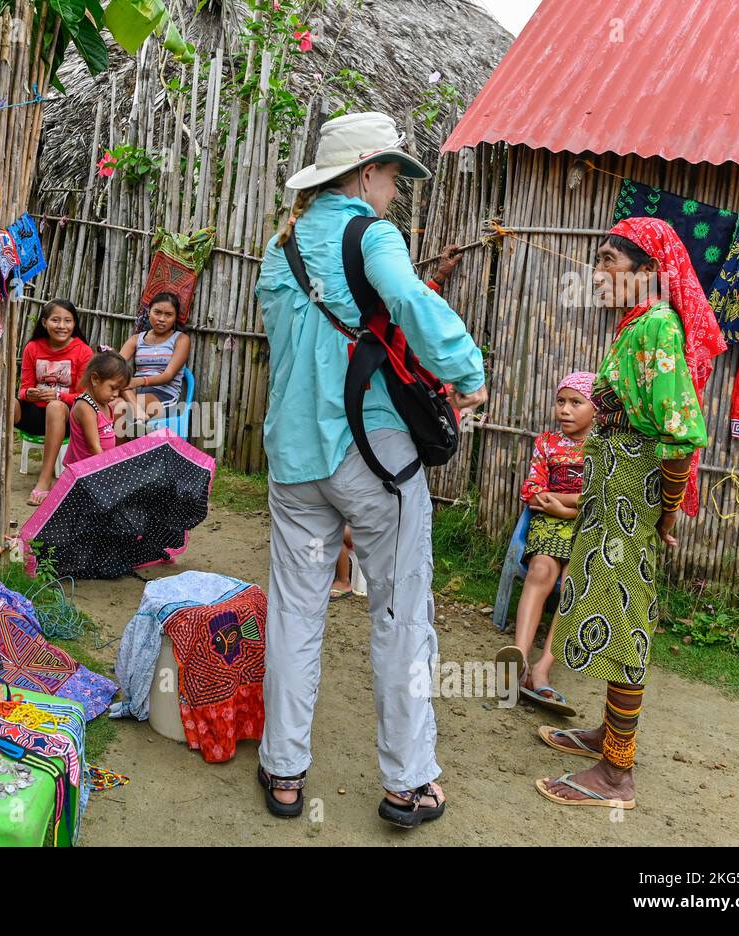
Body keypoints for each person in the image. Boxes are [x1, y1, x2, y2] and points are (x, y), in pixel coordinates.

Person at [254, 111, 488, 828]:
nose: (394, 192)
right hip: (375, 452)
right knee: (400, 611)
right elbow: (412, 300)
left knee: (296, 609)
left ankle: (284, 771)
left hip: (294, 458)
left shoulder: (280, 248)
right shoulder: (372, 235)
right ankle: (410, 782)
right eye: (391, 177)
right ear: (364, 172)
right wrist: (467, 372)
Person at [536, 217, 722, 811]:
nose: (597, 274)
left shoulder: (659, 327)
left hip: (631, 498)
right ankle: (606, 736)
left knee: (626, 620)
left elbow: (680, 432)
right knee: (612, 616)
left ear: (647, 273)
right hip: (612, 493)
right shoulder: (635, 327)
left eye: (610, 263)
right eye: (597, 261)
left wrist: (665, 513)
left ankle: (616, 774)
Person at [497, 371, 595, 714]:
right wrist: (560, 503)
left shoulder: (602, 448)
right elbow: (530, 491)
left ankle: (543, 669)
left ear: (596, 409)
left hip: (586, 526)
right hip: (549, 523)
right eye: (560, 401)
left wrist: (566, 507)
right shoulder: (547, 444)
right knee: (541, 569)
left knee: (574, 581)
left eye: (576, 403)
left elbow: (600, 499)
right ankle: (520, 661)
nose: (565, 410)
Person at [14, 300, 93, 505]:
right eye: (55, 320)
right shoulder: (32, 348)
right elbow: (24, 387)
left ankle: (44, 480)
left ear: (74, 324)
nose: (61, 326)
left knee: (55, 407)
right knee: (8, 404)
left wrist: (58, 397)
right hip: (35, 413)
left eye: (68, 321)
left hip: (65, 418)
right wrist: (27, 393)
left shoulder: (83, 351)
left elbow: (84, 396)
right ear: (44, 322)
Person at [118, 292, 192, 425]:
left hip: (164, 396)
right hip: (134, 392)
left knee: (121, 409)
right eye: (157, 312)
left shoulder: (181, 339)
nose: (162, 319)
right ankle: (122, 442)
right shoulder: (136, 339)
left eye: (168, 315)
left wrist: (138, 381)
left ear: (175, 318)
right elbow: (116, 366)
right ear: (149, 312)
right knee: (113, 404)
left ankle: (126, 444)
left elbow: (168, 376)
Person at [64, 351, 132, 468]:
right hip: (85, 470)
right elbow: (93, 446)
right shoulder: (85, 407)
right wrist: (107, 469)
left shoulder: (105, 404)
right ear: (95, 379)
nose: (116, 394)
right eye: (113, 388)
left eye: (119, 390)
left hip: (99, 465)